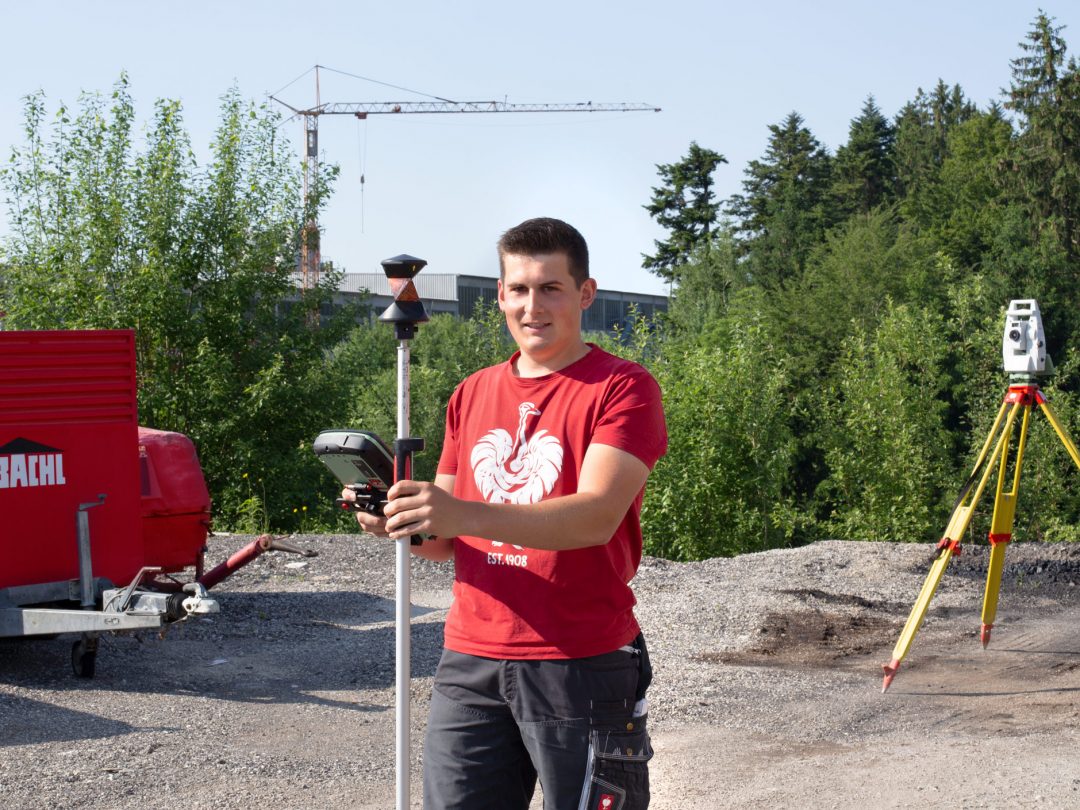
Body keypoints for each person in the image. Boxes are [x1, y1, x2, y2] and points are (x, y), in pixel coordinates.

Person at [346, 217, 667, 810]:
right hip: (472, 656)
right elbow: (445, 539)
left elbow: (595, 517)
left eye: (550, 288)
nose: (532, 306)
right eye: (518, 288)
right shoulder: (472, 392)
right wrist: (403, 522)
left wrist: (460, 514)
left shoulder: (622, 387)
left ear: (585, 293)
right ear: (499, 295)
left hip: (579, 659)